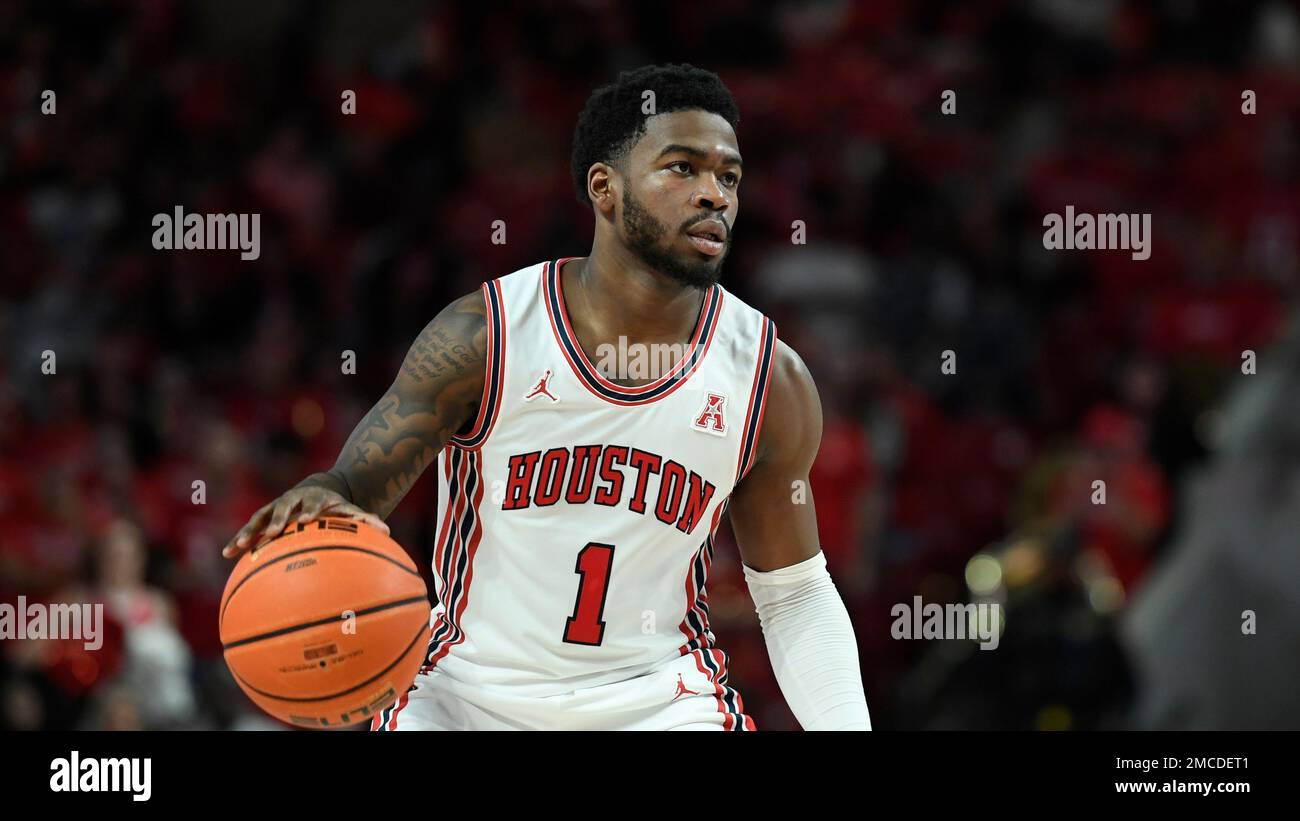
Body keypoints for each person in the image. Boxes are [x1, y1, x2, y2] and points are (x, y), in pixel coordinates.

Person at [222, 64, 870, 731]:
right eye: (682, 169)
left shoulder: (768, 378)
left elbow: (793, 594)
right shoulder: (487, 336)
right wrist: (330, 493)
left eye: (728, 176)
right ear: (605, 188)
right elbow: (357, 488)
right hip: (465, 697)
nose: (714, 195)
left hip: (659, 707)